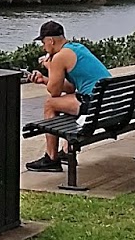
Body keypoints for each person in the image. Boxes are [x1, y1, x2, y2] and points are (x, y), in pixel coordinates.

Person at [25, 20, 112, 173]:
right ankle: (66, 151)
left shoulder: (59, 57)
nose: (43, 47)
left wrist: (49, 65)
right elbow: (69, 87)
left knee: (50, 104)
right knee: (68, 98)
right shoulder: (77, 48)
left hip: (96, 103)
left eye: (43, 42)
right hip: (110, 101)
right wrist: (43, 80)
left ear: (51, 40)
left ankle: (51, 158)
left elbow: (54, 92)